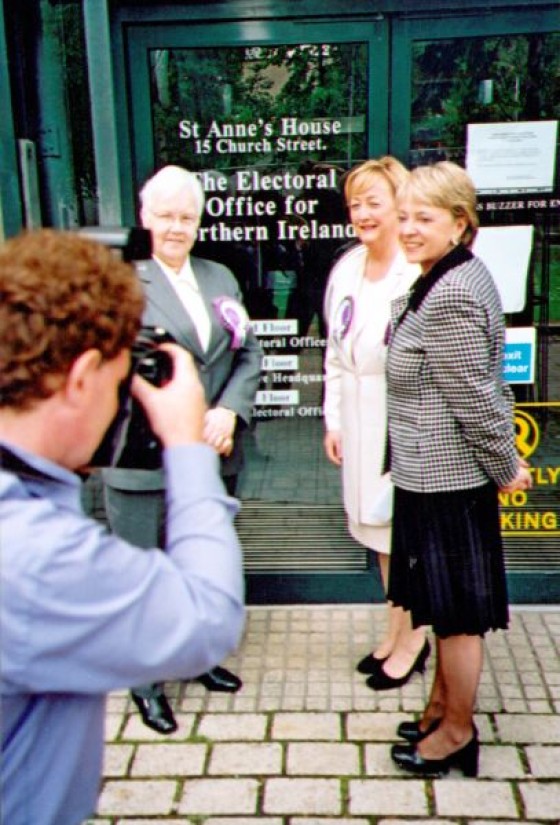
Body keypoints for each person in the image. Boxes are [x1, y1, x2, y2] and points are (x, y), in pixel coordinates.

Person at [0, 229, 245, 825]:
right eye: (117, 386)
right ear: (83, 379)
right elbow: (207, 617)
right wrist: (185, 445)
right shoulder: (35, 556)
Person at [102, 165, 262, 733]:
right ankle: (145, 681)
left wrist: (228, 411)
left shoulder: (220, 277)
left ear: (199, 221)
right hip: (143, 455)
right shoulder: (117, 282)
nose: (176, 227)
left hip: (214, 452)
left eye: (186, 216)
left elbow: (248, 354)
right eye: (166, 215)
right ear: (146, 218)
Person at [386, 161, 532, 777]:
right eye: (403, 217)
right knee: (441, 606)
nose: (409, 229)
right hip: (429, 476)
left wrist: (505, 465)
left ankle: (457, 731)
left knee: (457, 615)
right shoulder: (441, 276)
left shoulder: (450, 292)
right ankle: (439, 708)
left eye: (424, 218)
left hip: (449, 480)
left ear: (459, 224)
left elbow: (474, 393)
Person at [323, 157, 428, 691]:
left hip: (404, 421)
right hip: (360, 418)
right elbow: (335, 354)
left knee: (402, 535)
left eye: (373, 202)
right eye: (354, 204)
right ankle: (395, 628)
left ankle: (414, 640)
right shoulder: (346, 268)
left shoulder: (417, 273)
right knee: (376, 532)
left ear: (398, 206)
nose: (361, 214)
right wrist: (334, 419)